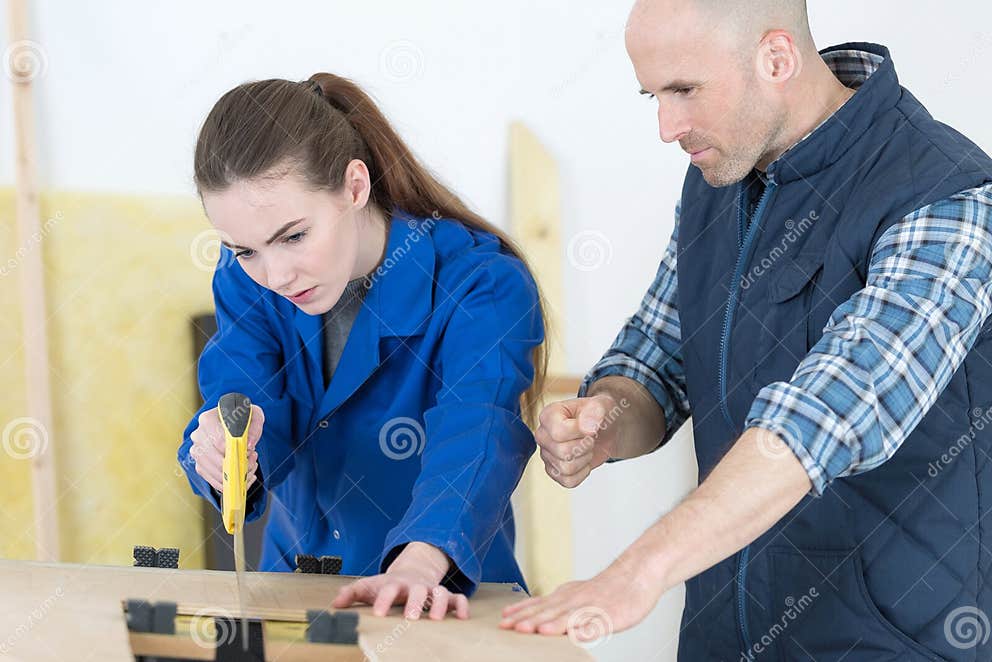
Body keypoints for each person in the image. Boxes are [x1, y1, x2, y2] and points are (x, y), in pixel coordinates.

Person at [501, 1, 992, 659]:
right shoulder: (718, 178)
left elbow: (826, 417)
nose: (666, 126)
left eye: (684, 90)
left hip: (890, 644)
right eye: (653, 94)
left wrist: (636, 570)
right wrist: (604, 421)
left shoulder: (947, 197)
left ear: (777, 58)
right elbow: (658, 355)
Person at [177, 73, 547, 621]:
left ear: (354, 187)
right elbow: (243, 395)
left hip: (435, 590)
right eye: (245, 249)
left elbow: (478, 430)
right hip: (298, 584)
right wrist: (223, 451)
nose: (275, 274)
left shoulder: (480, 282)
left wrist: (421, 563)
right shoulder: (243, 277)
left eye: (294, 236)